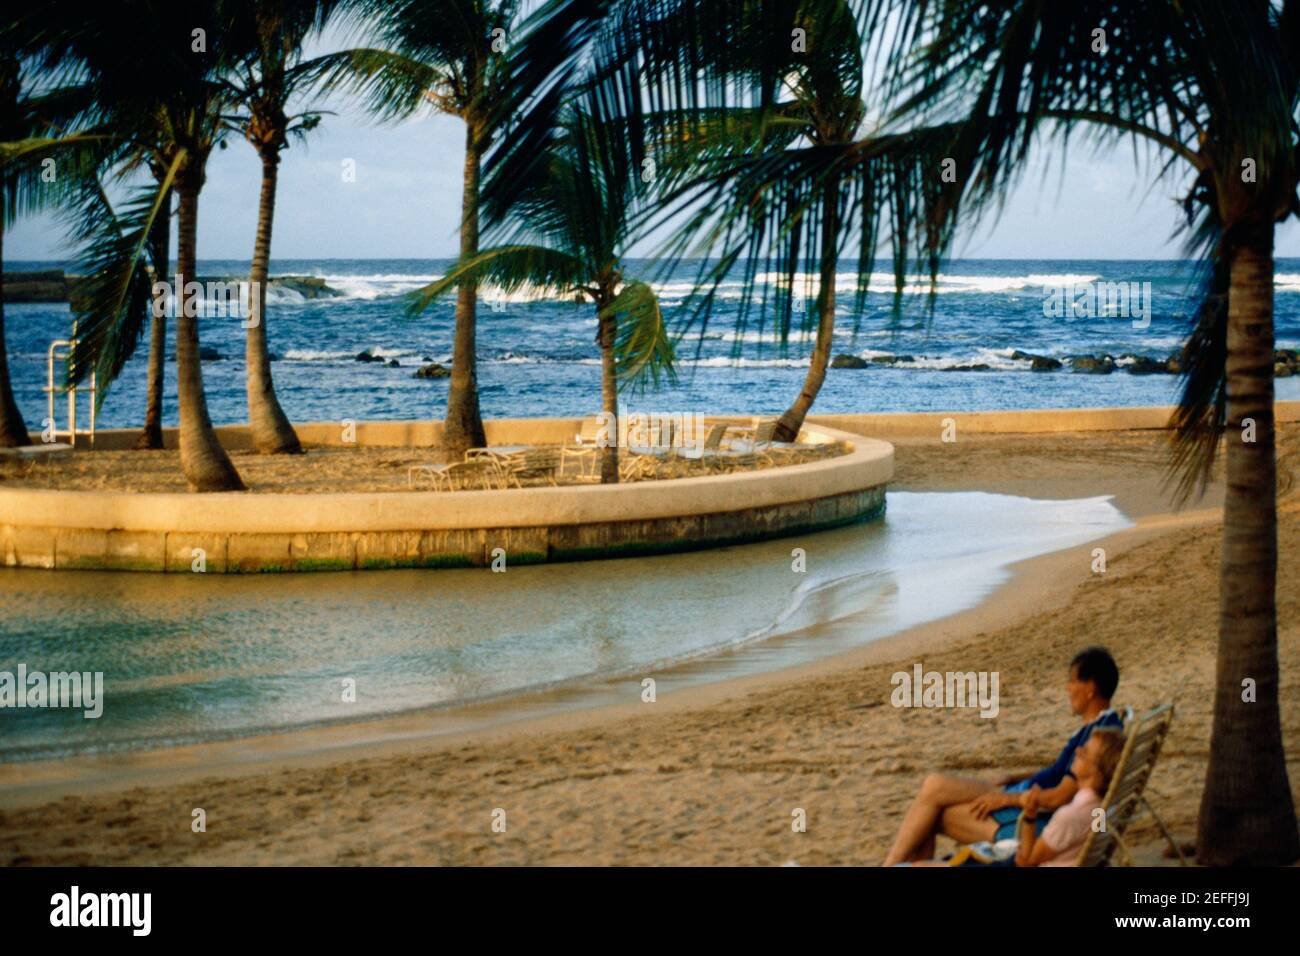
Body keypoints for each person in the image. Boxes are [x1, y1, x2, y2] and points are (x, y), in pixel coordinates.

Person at [882, 646, 1123, 866]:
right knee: (933, 795)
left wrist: (1008, 800)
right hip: (1023, 795)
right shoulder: (1106, 731)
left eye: (1072, 681)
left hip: (1027, 813)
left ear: (1091, 688)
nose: (1067, 688)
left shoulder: (1097, 737)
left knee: (934, 796)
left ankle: (891, 863)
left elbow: (1058, 797)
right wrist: (1014, 777)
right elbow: (1063, 777)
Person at [911, 727, 1127, 866]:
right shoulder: (1103, 809)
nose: (1078, 751)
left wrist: (1030, 815)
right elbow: (1093, 835)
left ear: (1097, 773)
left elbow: (1026, 861)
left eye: (1085, 753)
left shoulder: (1070, 816)